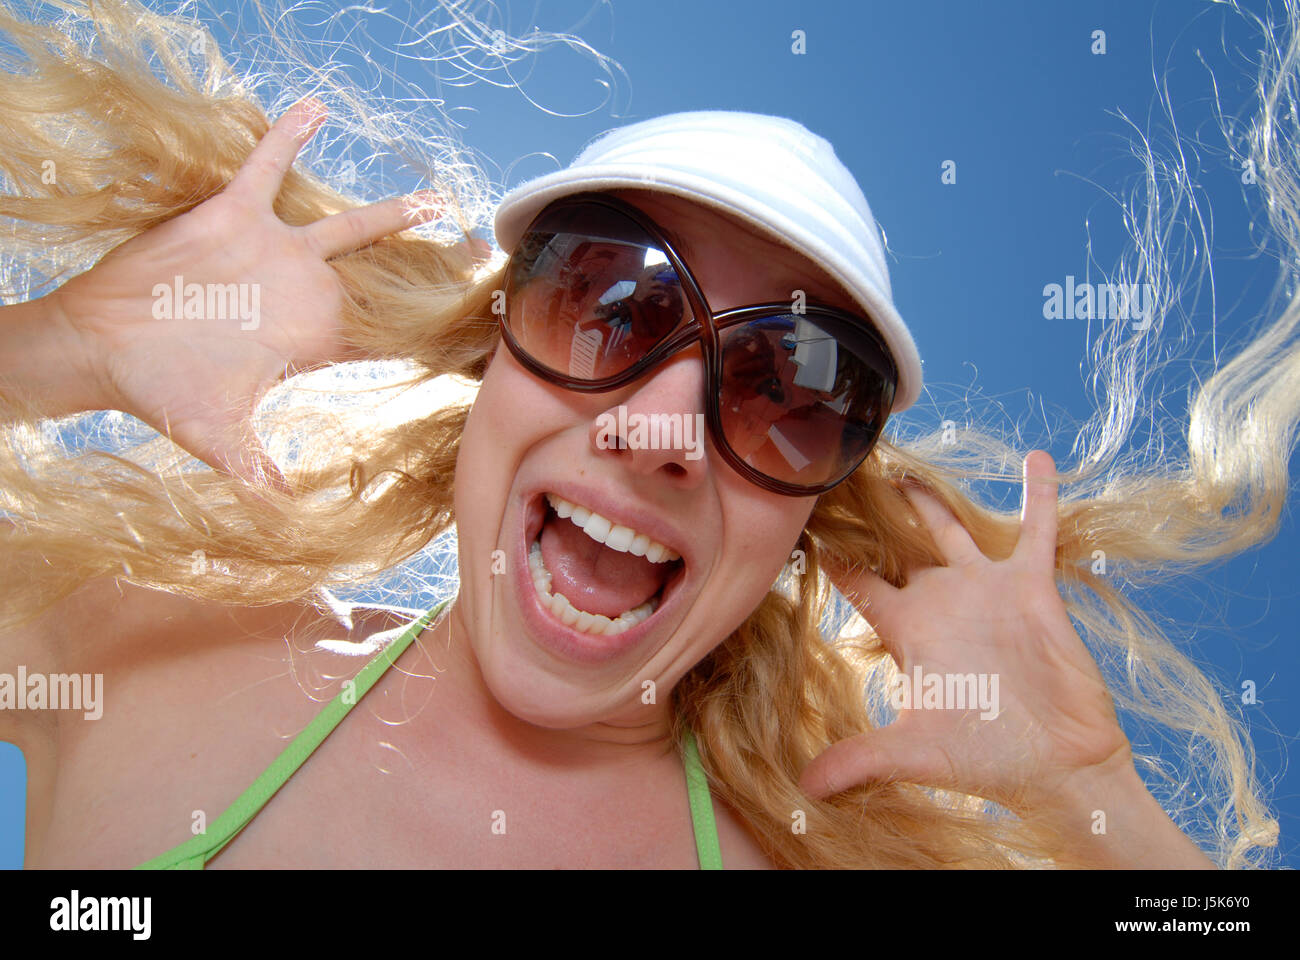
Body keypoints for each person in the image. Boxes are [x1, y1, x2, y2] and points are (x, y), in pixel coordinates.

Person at [0, 0, 1292, 868]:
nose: (664, 430)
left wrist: (1089, 795)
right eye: (612, 304)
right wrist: (63, 349)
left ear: (807, 520)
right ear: (490, 354)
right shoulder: (134, 663)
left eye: (790, 393)